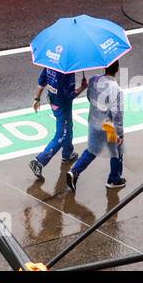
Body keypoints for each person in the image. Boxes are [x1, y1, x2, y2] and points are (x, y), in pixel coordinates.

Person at [66, 59, 126, 191]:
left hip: (93, 121)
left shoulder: (93, 80)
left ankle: (74, 171)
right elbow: (117, 115)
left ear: (105, 68)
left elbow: (89, 97)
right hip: (108, 126)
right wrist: (119, 133)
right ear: (117, 70)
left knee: (92, 151)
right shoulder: (117, 90)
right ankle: (114, 179)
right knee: (116, 150)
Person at [28, 65, 84, 180]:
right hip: (63, 105)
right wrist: (82, 88)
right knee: (62, 135)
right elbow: (69, 95)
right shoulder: (68, 72)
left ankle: (67, 155)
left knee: (68, 127)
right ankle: (39, 162)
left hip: (53, 101)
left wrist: (37, 98)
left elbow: (42, 80)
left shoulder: (51, 63)